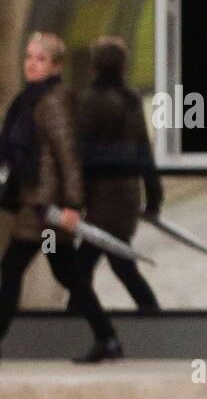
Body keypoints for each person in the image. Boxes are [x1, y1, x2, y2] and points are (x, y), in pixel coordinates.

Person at [0, 32, 121, 363]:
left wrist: (71, 205)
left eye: (40, 59)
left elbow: (68, 156)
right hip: (37, 204)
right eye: (28, 57)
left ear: (55, 65)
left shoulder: (51, 102)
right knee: (67, 273)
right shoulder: (29, 100)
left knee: (10, 271)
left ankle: (108, 338)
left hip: (45, 209)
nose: (31, 64)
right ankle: (108, 337)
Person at [68, 37, 162, 313]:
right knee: (118, 264)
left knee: (84, 267)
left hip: (101, 200)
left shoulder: (90, 101)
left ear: (95, 66)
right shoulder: (131, 101)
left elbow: (79, 155)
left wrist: (74, 200)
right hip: (127, 197)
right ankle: (150, 315)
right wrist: (154, 196)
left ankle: (75, 324)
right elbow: (144, 152)